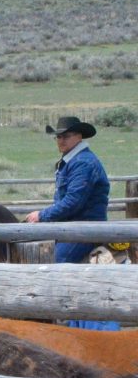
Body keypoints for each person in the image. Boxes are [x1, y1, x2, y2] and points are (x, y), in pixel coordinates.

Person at [24, 116, 118, 330]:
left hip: (84, 229)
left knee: (51, 266)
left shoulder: (83, 163)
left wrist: (42, 216)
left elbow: (73, 202)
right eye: (58, 137)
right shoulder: (75, 160)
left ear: (79, 136)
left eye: (65, 136)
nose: (61, 141)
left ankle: (57, 319)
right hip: (74, 227)